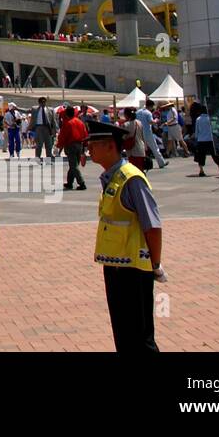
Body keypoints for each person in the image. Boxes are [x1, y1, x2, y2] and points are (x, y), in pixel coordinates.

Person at [86, 117, 165, 352]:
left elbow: (153, 226)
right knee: (124, 334)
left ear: (111, 145)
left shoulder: (132, 178)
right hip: (116, 265)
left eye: (94, 144)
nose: (89, 149)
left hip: (133, 268)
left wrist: (156, 264)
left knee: (139, 338)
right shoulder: (113, 178)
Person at [55, 106, 88, 190]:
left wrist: (59, 145)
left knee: (73, 165)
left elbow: (63, 136)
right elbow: (85, 134)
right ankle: (69, 182)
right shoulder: (80, 122)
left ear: (66, 114)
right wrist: (85, 145)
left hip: (70, 145)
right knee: (73, 165)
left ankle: (81, 183)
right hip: (79, 144)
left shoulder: (67, 123)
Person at [189, 102, 219, 176]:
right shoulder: (210, 118)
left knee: (201, 156)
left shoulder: (198, 119)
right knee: (215, 155)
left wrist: (196, 138)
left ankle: (201, 170)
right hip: (210, 139)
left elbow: (197, 130)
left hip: (201, 140)